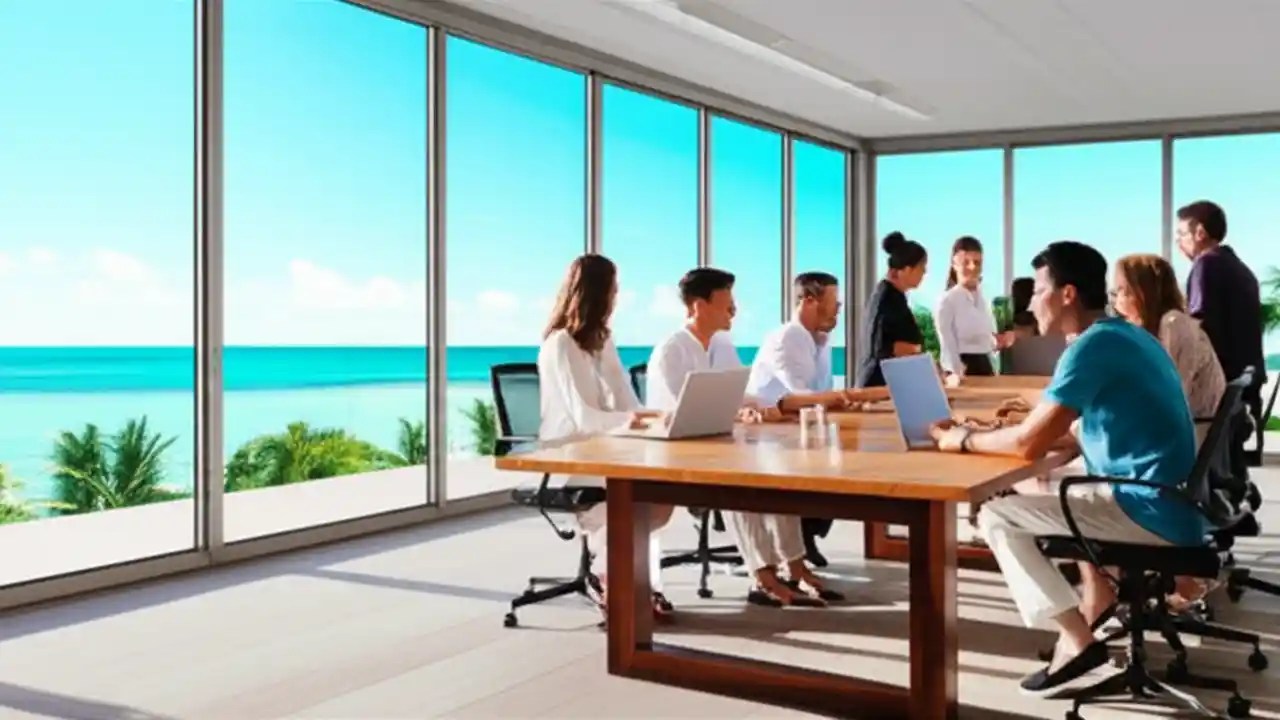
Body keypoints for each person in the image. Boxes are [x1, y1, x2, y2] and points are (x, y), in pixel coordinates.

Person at [930, 241, 1200, 695]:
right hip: (1168, 499)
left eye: (1039, 289)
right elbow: (1066, 433)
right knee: (1046, 498)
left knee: (995, 515)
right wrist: (1010, 432)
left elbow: (1027, 443)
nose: (1031, 301)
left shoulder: (1093, 347)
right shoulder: (1127, 336)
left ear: (1068, 293)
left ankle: (1079, 639)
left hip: (1145, 507)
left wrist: (961, 439)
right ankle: (1089, 612)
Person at [647, 267, 841, 606]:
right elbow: (677, 415)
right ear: (698, 306)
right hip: (678, 455)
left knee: (777, 473)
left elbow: (738, 393)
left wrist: (765, 407)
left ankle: (794, 566)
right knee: (741, 481)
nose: (734, 311)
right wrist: (736, 413)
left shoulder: (721, 344)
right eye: (727, 304)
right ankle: (763, 578)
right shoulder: (671, 351)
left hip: (718, 444)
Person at [537, 254, 677, 621]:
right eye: (613, 288)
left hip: (609, 447)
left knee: (663, 497)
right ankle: (618, 582)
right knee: (636, 500)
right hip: (571, 456)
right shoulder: (561, 344)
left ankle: (625, 578)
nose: (617, 296)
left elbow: (625, 400)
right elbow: (584, 418)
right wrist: (631, 420)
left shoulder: (602, 341)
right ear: (597, 293)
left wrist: (655, 416)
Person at [748, 271, 887, 567]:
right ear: (809, 301)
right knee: (841, 463)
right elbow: (805, 397)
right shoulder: (789, 337)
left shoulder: (820, 339)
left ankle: (804, 534)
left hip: (794, 431)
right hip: (765, 438)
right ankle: (799, 537)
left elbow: (819, 397)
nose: (839, 308)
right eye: (834, 300)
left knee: (850, 459)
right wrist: (869, 394)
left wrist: (847, 400)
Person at [1177, 200, 1266, 427]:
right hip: (1245, 377)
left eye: (1181, 234)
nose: (1178, 242)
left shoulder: (1206, 266)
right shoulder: (1238, 267)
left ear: (1200, 233)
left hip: (1221, 380)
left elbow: (1199, 328)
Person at [1112, 253, 1226, 423]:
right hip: (1183, 427)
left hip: (1193, 430)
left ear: (1143, 292)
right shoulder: (1163, 326)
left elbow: (1170, 394)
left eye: (1122, 290)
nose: (1116, 298)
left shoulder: (1174, 324)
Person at [934, 235, 1015, 381]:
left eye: (977, 262)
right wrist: (957, 374)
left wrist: (1000, 340)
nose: (972, 267)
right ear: (954, 264)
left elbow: (986, 339)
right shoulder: (947, 301)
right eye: (966, 262)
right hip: (962, 371)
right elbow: (947, 344)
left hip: (986, 368)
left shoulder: (985, 299)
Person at [855, 231, 927, 388]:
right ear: (907, 269)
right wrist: (918, 351)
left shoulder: (891, 296)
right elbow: (883, 347)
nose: (924, 273)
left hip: (887, 383)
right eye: (922, 267)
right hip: (878, 386)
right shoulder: (887, 299)